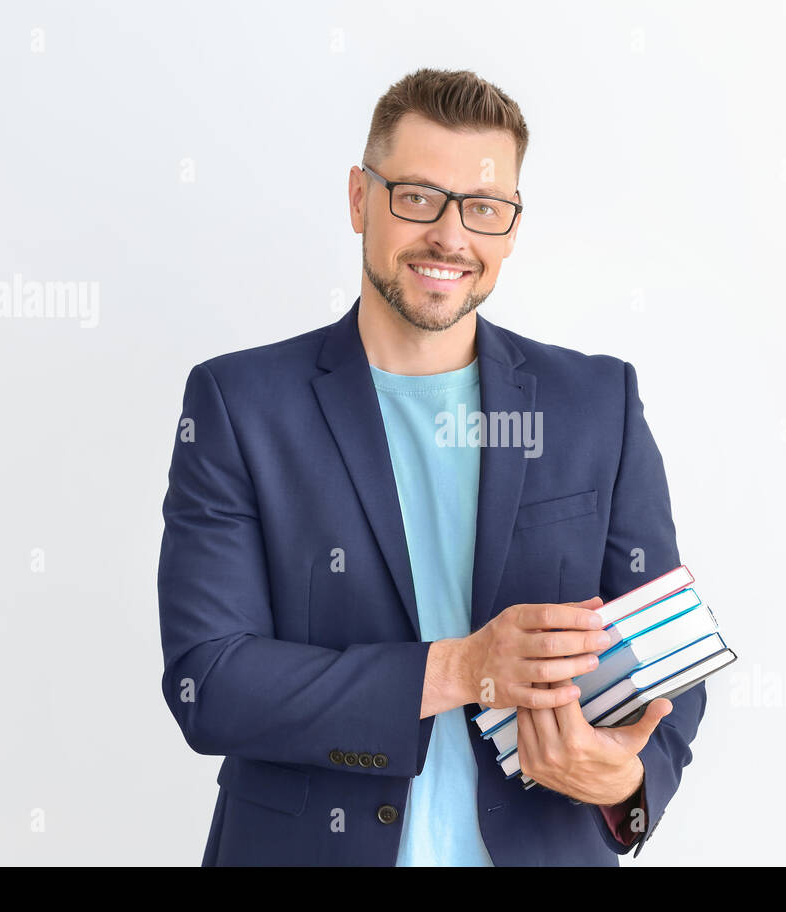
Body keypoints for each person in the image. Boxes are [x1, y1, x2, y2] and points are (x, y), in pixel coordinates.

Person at [157, 67, 707, 866]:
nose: (451, 237)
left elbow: (668, 661)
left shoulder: (597, 402)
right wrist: (461, 669)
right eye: (418, 197)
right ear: (360, 199)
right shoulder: (240, 405)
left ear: (511, 228)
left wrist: (623, 779)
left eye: (483, 208)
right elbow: (210, 684)